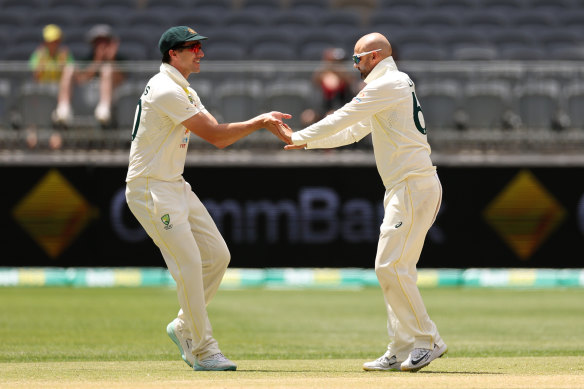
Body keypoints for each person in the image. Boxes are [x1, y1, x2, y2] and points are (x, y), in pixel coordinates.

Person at [125, 26, 291, 372]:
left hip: (173, 183)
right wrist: (260, 121)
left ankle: (185, 326)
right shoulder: (166, 88)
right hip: (150, 187)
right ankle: (202, 349)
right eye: (193, 48)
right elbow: (217, 136)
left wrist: (248, 124)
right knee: (187, 265)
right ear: (173, 53)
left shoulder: (183, 87)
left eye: (200, 47)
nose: (200, 53)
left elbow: (215, 127)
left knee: (216, 256)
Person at [282, 32, 447, 372]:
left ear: (374, 57)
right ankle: (401, 347)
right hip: (404, 187)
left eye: (357, 60)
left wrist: (299, 136)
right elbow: (355, 131)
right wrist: (307, 145)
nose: (354, 66)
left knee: (389, 267)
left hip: (413, 186)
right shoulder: (389, 84)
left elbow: (344, 116)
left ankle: (427, 340)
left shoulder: (388, 83)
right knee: (396, 270)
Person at [53, 24, 124, 127]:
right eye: (98, 42)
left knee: (107, 69)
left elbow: (121, 80)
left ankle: (104, 109)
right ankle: (63, 108)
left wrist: (111, 60)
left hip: (113, 107)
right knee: (69, 68)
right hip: (85, 103)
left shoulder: (120, 59)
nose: (101, 45)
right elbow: (82, 79)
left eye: (105, 42)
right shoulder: (86, 59)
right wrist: (97, 61)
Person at [300, 47, 355, 127]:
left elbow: (348, 97)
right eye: (333, 62)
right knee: (308, 116)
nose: (335, 65)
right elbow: (314, 98)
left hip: (340, 109)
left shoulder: (346, 77)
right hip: (320, 109)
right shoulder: (320, 74)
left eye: (339, 62)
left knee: (331, 116)